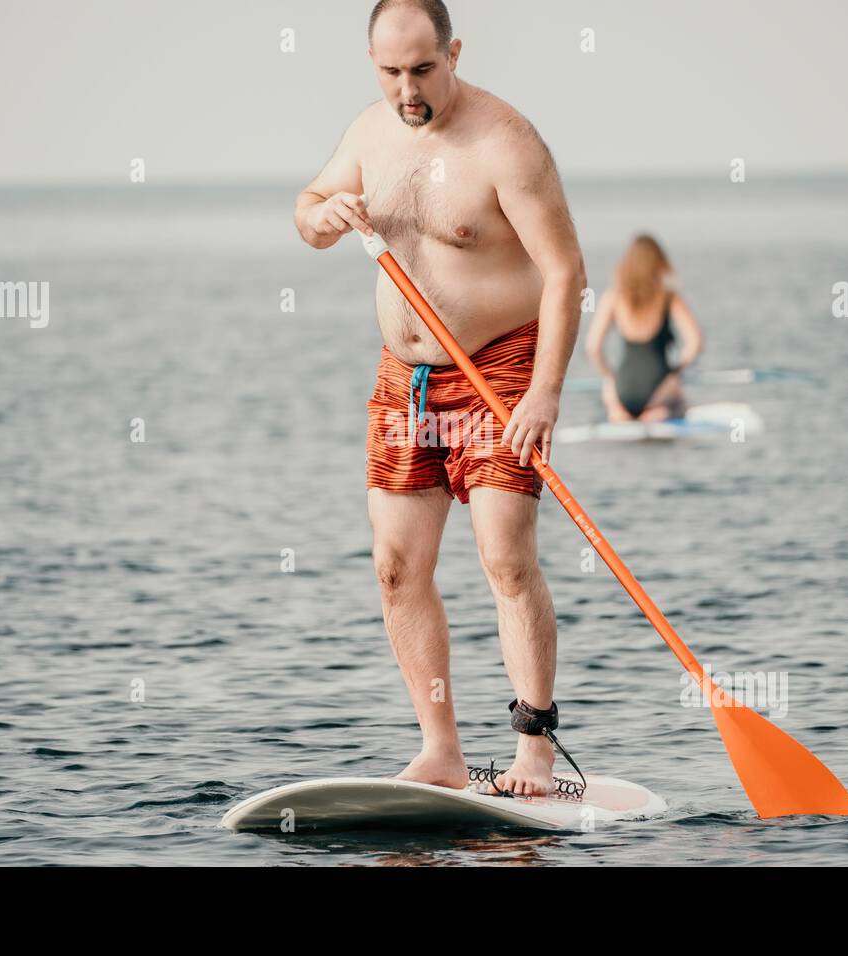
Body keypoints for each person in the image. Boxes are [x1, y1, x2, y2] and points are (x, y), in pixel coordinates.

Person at [292, 0, 587, 796]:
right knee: (395, 569)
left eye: (423, 69)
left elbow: (565, 275)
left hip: (501, 369)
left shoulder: (506, 143)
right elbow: (306, 212)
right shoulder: (368, 131)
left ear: (454, 52)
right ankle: (441, 750)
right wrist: (326, 216)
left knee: (505, 560)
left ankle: (533, 750)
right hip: (405, 377)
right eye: (390, 72)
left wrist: (546, 394)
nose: (407, 89)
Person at [585, 235, 703, 422]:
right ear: (659, 263)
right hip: (659, 388)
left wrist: (609, 376)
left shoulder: (614, 297)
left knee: (616, 410)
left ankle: (621, 413)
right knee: (678, 405)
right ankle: (656, 413)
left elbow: (593, 347)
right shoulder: (668, 297)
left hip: (621, 388)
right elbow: (695, 343)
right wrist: (675, 372)